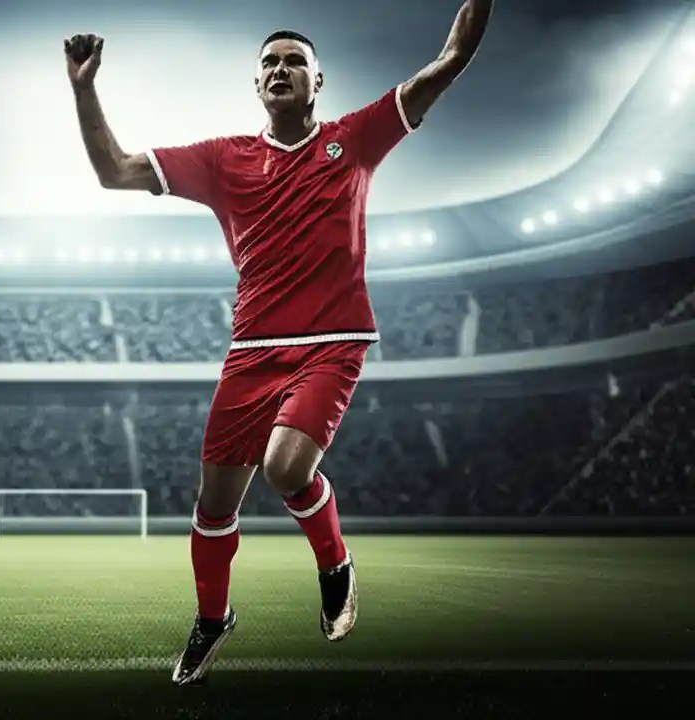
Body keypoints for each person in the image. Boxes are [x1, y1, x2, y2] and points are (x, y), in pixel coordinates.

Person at [65, 0, 493, 685]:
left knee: (287, 468)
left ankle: (335, 563)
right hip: (252, 351)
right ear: (256, 84)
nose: (281, 69)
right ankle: (212, 620)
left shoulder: (354, 139)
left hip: (333, 340)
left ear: (318, 83)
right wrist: (84, 88)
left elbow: (448, 61)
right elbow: (114, 170)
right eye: (270, 62)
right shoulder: (221, 159)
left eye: (296, 61)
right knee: (214, 506)